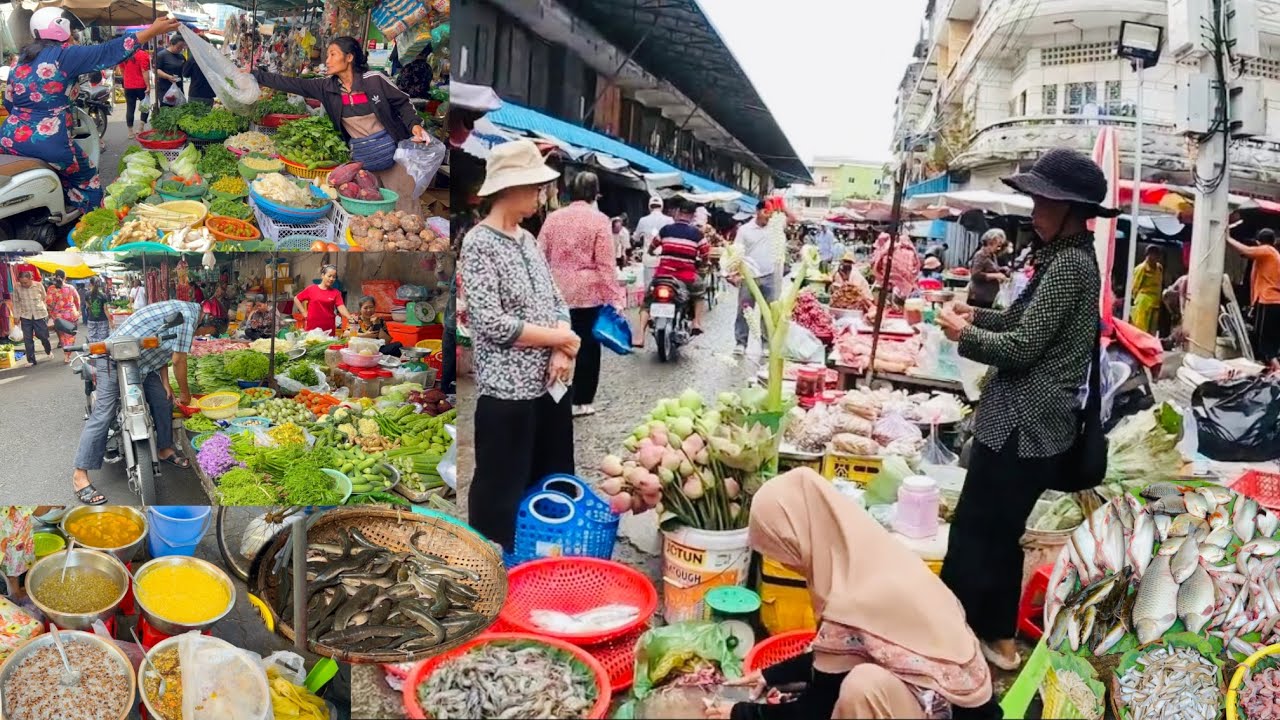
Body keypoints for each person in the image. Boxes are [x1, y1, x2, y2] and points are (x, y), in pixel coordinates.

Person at [936, 147, 1109, 671]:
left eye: (1042, 201)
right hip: (1019, 421)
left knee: (986, 529)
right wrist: (977, 315)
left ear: (1070, 210)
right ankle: (972, 629)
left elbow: (1021, 349)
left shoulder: (1070, 267)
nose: (1033, 210)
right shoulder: (1060, 260)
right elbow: (1017, 324)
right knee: (982, 526)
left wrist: (962, 333)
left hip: (1025, 425)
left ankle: (984, 635)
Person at [703, 470, 996, 720]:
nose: (786, 563)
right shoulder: (880, 558)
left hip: (953, 711)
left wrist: (740, 713)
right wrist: (773, 674)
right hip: (963, 701)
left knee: (863, 688)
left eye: (782, 549)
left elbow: (817, 710)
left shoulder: (851, 601)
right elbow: (866, 650)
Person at [460, 139, 579, 552]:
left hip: (549, 387)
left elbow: (556, 301)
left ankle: (538, 559)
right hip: (507, 394)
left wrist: (563, 348)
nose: (540, 193)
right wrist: (560, 338)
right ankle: (492, 571)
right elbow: (491, 323)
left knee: (547, 480)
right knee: (500, 491)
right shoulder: (478, 243)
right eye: (533, 186)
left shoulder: (528, 240)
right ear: (507, 190)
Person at [0, 12, 180, 215]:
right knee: (87, 178)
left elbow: (9, 101)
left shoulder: (21, 61)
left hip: (9, 138)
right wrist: (151, 31)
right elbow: (105, 52)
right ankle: (92, 222)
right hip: (49, 142)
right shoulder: (63, 55)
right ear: (62, 28)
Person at [252, 37, 428, 215]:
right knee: (370, 211)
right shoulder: (327, 87)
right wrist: (256, 75)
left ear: (349, 57)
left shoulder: (374, 80)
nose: (327, 60)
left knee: (405, 208)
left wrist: (415, 126)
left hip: (394, 158)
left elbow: (403, 103)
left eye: (332, 54)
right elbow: (293, 84)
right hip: (364, 161)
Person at [71, 300, 199, 505]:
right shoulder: (186, 316)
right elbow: (178, 360)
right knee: (103, 414)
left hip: (142, 365)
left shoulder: (178, 313)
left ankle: (164, 448)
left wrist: (166, 383)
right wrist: (185, 393)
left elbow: (163, 350)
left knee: (163, 400)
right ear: (206, 321)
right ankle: (80, 475)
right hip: (112, 358)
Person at [538, 172, 622, 418]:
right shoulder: (599, 221)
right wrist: (614, 297)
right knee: (587, 347)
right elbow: (606, 264)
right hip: (588, 295)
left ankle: (551, 394)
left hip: (554, 291)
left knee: (553, 342)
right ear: (595, 194)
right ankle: (582, 402)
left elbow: (539, 253)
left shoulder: (553, 218)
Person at [635, 200, 711, 346]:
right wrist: (702, 263)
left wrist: (652, 252)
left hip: (663, 275)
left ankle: (640, 337)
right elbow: (705, 254)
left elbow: (652, 247)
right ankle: (696, 322)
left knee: (647, 302)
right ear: (692, 216)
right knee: (700, 293)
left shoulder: (665, 230)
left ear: (678, 213)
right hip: (686, 277)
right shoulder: (697, 234)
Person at [730, 201, 781, 356]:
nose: (769, 216)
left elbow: (793, 217)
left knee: (768, 312)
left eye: (771, 213)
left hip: (769, 276)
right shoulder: (744, 230)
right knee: (745, 310)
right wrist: (734, 274)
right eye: (766, 212)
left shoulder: (774, 228)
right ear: (757, 211)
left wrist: (781, 204)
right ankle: (740, 342)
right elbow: (736, 252)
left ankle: (766, 344)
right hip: (749, 277)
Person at [1227, 228, 1280, 363]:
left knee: (1264, 339)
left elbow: (1245, 251)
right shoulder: (1270, 255)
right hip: (1270, 300)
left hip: (1268, 300)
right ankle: (1272, 366)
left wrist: (1228, 238)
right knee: (1268, 337)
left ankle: (1276, 368)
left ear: (1258, 242)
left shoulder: (1266, 250)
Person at [294, 265, 353, 333]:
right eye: (329, 276)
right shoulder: (311, 289)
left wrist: (349, 317)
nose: (331, 279)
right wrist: (304, 313)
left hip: (328, 329)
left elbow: (341, 307)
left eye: (334, 277)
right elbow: (296, 299)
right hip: (312, 328)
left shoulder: (336, 293)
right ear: (322, 275)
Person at [10, 271, 50, 367]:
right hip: (25, 316)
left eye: (25, 282)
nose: (23, 284)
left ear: (30, 279)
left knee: (43, 335)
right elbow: (15, 303)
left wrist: (43, 307)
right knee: (28, 339)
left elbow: (44, 298)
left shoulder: (39, 285)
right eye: (22, 282)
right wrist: (16, 316)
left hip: (40, 315)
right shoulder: (17, 287)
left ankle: (48, 351)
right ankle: (31, 360)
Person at [872, 232, 922, 301]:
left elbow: (876, 267)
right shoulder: (889, 249)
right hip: (898, 283)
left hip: (898, 283)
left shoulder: (890, 249)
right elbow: (916, 267)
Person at [635, 196, 672, 288]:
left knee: (648, 285)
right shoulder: (669, 220)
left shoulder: (643, 220)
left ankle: (648, 301)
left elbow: (636, 238)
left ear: (649, 206)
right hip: (665, 259)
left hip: (649, 258)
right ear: (662, 206)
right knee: (665, 285)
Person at [968, 229, 1009, 309]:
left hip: (989, 296)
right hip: (980, 297)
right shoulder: (980, 255)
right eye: (997, 245)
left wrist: (1001, 269)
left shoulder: (992, 255)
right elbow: (975, 275)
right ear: (990, 242)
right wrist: (996, 275)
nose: (999, 248)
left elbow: (991, 268)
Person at [117, 40, 150, 137]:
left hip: (129, 86)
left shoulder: (124, 55)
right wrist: (148, 85)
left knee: (130, 107)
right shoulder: (143, 55)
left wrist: (127, 79)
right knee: (145, 106)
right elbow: (144, 71)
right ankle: (140, 127)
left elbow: (122, 70)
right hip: (141, 85)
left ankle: (130, 132)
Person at [1130, 245, 1165, 334]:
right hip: (1143, 301)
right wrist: (1137, 300)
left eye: (1156, 255)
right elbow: (1135, 286)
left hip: (1155, 303)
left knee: (1152, 330)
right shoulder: (1141, 268)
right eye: (1151, 254)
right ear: (1147, 255)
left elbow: (1159, 284)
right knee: (1140, 327)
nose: (1154, 257)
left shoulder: (1159, 268)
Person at [45, 275, 80, 363]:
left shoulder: (51, 289)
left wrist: (51, 313)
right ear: (65, 277)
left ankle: (66, 354)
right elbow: (77, 300)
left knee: (62, 336)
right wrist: (78, 310)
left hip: (58, 317)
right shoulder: (70, 287)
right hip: (71, 315)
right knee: (71, 336)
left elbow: (49, 304)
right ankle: (68, 355)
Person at [152, 33, 187, 107]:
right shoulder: (161, 55)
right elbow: (155, 70)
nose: (180, 49)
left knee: (179, 109)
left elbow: (185, 70)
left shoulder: (181, 56)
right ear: (171, 44)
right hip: (165, 89)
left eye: (182, 47)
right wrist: (168, 76)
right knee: (167, 110)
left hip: (178, 87)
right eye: (178, 47)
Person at [84, 277, 110, 342]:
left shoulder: (87, 294)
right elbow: (105, 310)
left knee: (92, 340)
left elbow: (88, 306)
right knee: (103, 341)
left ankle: (94, 352)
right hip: (103, 320)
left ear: (90, 284)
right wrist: (111, 322)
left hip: (91, 320)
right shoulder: (103, 295)